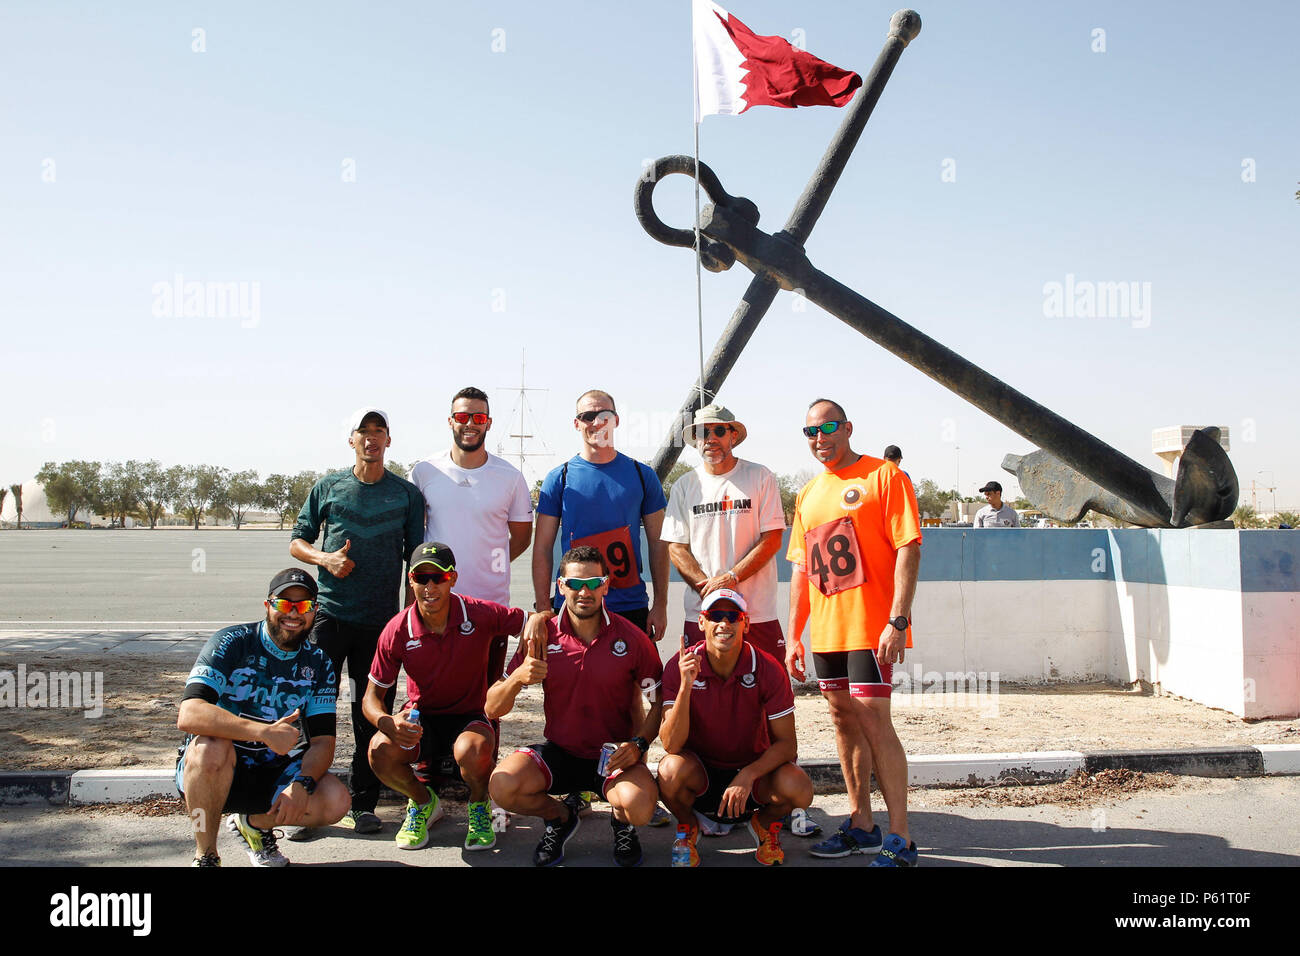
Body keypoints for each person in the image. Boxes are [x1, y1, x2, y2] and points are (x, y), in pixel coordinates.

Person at [787, 398, 922, 867]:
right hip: (827, 633)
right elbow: (803, 570)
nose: (819, 437)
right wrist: (793, 636)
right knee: (843, 721)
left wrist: (898, 619)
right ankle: (861, 823)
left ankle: (901, 837)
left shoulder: (884, 476)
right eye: (810, 432)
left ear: (847, 428)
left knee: (874, 721)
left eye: (827, 427)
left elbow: (908, 547)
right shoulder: (807, 494)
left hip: (871, 626)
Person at [289, 406, 425, 834]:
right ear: (351, 440)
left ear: (389, 441)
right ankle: (304, 800)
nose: (371, 439)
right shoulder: (329, 487)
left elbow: (414, 562)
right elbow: (297, 542)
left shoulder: (406, 495)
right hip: (329, 617)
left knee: (368, 712)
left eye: (378, 432)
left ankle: (363, 803)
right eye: (362, 432)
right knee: (315, 709)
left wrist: (408, 616)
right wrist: (324, 559)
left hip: (380, 624)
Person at [488, 546, 663, 867]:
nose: (585, 591)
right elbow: (491, 708)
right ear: (561, 586)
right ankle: (560, 817)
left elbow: (659, 704)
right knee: (503, 786)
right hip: (561, 752)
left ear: (607, 585)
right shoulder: (542, 636)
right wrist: (516, 679)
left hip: (613, 757)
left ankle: (622, 824)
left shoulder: (632, 638)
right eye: (576, 583)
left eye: (594, 583)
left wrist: (639, 745)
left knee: (639, 807)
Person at [364, 542, 537, 852]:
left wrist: (510, 676)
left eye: (438, 578)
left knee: (472, 750)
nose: (430, 586)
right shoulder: (397, 629)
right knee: (379, 750)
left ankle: (479, 806)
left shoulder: (478, 612)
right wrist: (387, 722)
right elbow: (370, 698)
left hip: (470, 715)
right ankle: (422, 803)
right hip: (422, 718)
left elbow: (532, 623)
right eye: (421, 577)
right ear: (411, 581)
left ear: (453, 578)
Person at [176, 569, 349, 866]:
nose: (293, 613)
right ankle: (206, 854)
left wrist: (302, 784)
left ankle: (253, 825)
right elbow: (190, 713)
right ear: (268, 605)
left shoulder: (319, 662)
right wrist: (262, 732)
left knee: (336, 800)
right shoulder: (232, 641)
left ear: (314, 611)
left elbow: (323, 742)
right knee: (209, 748)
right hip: (218, 765)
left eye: (304, 605)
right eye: (284, 603)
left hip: (275, 768)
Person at [657, 589, 813, 866]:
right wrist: (686, 686)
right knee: (668, 771)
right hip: (700, 774)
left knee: (799, 787)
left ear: (746, 623)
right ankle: (688, 827)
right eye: (716, 615)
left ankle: (763, 825)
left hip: (752, 778)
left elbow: (788, 745)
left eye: (733, 616)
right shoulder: (679, 666)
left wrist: (748, 776)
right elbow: (671, 745)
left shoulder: (768, 668)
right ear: (701, 622)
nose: (724, 624)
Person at [532, 389, 669, 641]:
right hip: (573, 605)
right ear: (576, 423)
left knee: (637, 680)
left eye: (604, 415)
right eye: (587, 416)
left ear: (616, 420)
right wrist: (543, 608)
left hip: (629, 606)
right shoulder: (558, 479)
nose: (596, 422)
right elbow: (541, 548)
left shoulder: (642, 475)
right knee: (571, 680)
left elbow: (659, 543)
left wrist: (661, 605)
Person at [662, 403, 787, 659]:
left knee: (767, 690)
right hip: (703, 613)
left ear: (733, 435)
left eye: (719, 430)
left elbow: (773, 539)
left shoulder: (760, 476)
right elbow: (676, 547)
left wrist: (730, 578)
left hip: (756, 612)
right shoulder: (684, 486)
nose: (711, 439)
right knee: (701, 691)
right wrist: (709, 589)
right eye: (702, 433)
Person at [411, 386, 534, 606]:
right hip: (436, 599)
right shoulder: (424, 471)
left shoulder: (511, 477)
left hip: (490, 603)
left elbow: (522, 539)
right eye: (461, 417)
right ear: (451, 421)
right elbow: (412, 535)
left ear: (488, 423)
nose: (470, 424)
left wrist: (489, 566)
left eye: (478, 417)